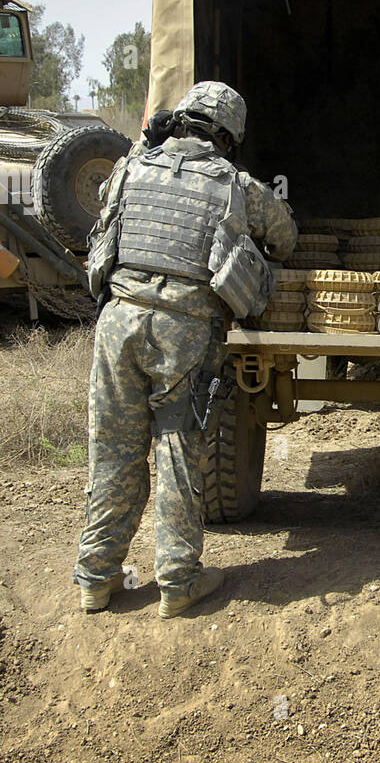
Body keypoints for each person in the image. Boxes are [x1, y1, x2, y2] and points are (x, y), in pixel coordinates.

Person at [73, 81, 297, 618]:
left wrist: (146, 144)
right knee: (177, 449)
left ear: (180, 120)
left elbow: (106, 213)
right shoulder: (237, 186)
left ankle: (96, 580)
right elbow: (285, 236)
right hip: (184, 329)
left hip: (118, 321)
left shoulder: (131, 167)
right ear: (228, 136)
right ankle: (177, 582)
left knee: (113, 450)